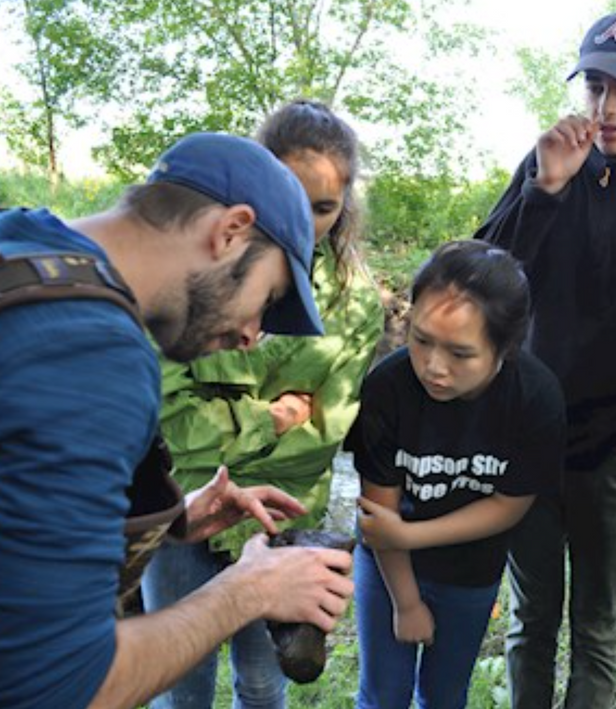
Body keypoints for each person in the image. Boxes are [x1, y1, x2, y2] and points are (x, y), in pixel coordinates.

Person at [0, 132, 355, 709]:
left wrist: (165, 521)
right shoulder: (90, 349)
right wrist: (249, 591)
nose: (251, 336)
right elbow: (52, 688)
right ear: (231, 231)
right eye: (267, 299)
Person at [474, 8, 616, 707]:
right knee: (531, 618)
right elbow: (478, 281)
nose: (607, 107)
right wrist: (544, 190)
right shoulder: (547, 166)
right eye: (595, 86)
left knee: (598, 626)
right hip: (531, 435)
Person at [142, 101, 384, 709]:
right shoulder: (197, 271)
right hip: (180, 501)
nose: (300, 219)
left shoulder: (355, 303)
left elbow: (322, 435)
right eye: (288, 195)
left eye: (323, 207)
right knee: (180, 680)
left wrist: (224, 422)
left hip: (281, 515)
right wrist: (271, 417)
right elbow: (165, 419)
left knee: (262, 679)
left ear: (346, 204)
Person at [346, 240, 566, 709]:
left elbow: (509, 505)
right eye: (421, 339)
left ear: (505, 347)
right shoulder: (387, 387)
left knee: (445, 696)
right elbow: (378, 516)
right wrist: (406, 602)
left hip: (470, 574)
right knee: (382, 696)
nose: (433, 367)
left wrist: (410, 534)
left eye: (460, 354)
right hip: (387, 568)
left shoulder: (535, 398)